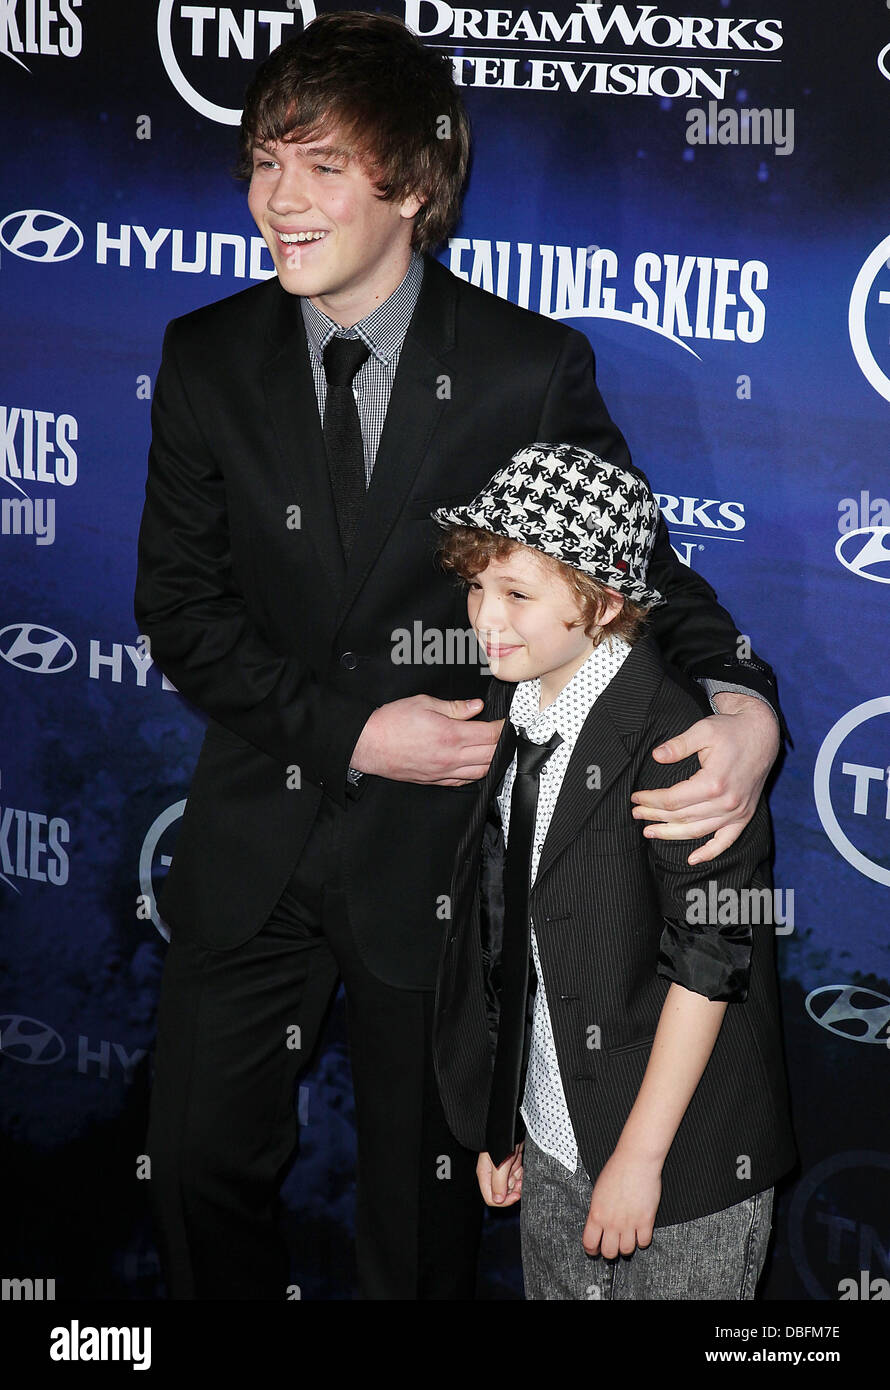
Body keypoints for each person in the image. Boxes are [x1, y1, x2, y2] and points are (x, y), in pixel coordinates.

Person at [134, 11, 785, 1300]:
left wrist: (744, 702)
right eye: (266, 159)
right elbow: (182, 608)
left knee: (418, 1229)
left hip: (440, 882)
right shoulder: (204, 357)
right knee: (196, 1174)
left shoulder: (522, 370)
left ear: (415, 187)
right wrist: (354, 733)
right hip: (249, 847)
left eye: (321, 166)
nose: (280, 197)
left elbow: (640, 576)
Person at [431, 442, 797, 1300]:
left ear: (603, 604)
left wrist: (637, 1158)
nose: (486, 616)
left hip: (679, 1168)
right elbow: (512, 934)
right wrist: (508, 1117)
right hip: (555, 1138)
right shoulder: (522, 702)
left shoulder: (676, 748)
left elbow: (711, 962)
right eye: (478, 585)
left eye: (518, 593)